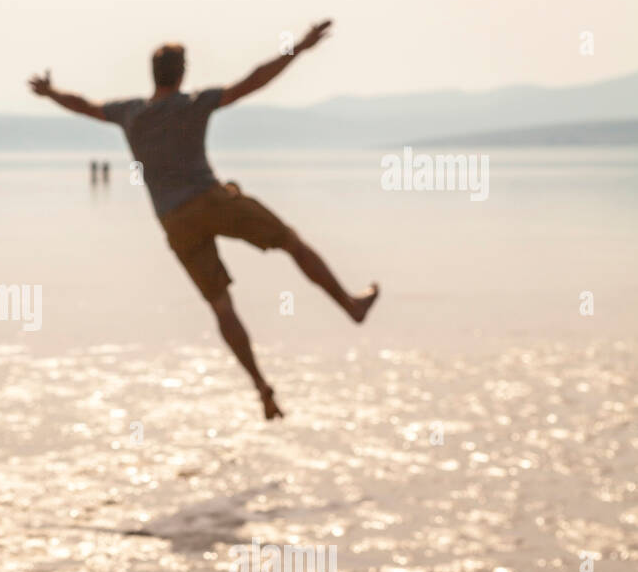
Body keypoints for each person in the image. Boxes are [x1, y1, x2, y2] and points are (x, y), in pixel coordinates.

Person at [29, 21, 379, 419]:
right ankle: (350, 305)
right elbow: (253, 82)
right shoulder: (192, 103)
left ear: (153, 74)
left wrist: (50, 92)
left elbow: (84, 105)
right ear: (182, 73)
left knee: (222, 307)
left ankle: (262, 389)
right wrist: (298, 49)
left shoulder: (130, 113)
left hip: (173, 221)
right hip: (211, 200)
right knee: (291, 243)